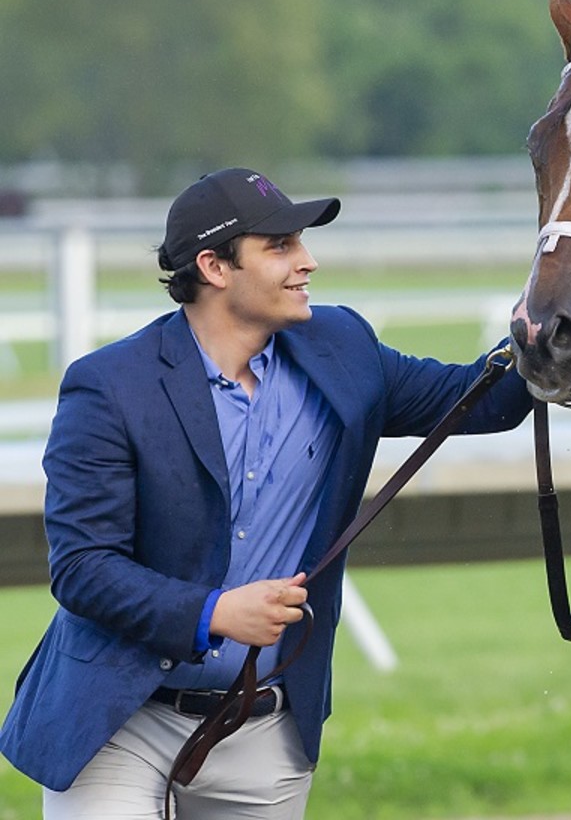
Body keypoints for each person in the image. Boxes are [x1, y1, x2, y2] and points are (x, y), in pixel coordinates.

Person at [0, 168, 533, 818]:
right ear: (214, 266)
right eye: (280, 246)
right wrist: (213, 613)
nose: (307, 262)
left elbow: (482, 399)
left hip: (266, 731)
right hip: (118, 722)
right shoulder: (109, 388)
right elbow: (83, 570)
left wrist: (562, 314)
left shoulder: (346, 348)